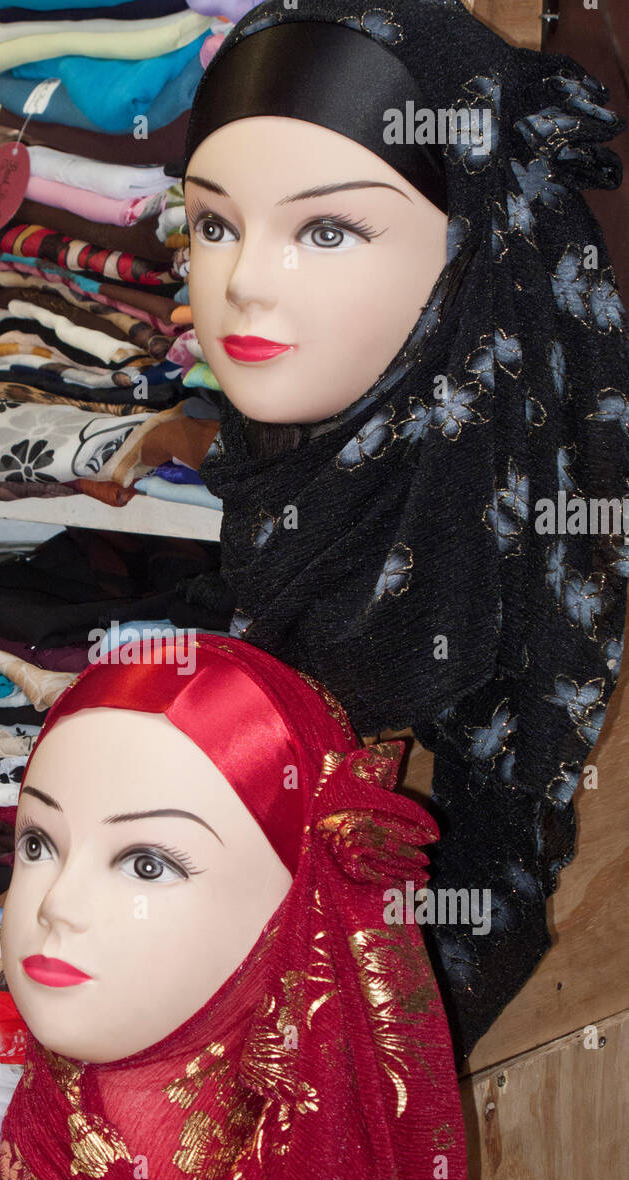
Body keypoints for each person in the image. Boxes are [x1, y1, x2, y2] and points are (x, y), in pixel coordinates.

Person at [172, 0, 629, 1057]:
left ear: (471, 253)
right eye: (211, 223)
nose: (241, 280)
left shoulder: (532, 550)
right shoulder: (267, 499)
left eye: (325, 229)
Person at [0, 635, 466, 1180]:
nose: (57, 905)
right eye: (38, 842)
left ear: (298, 903)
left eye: (146, 862)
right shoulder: (38, 1139)